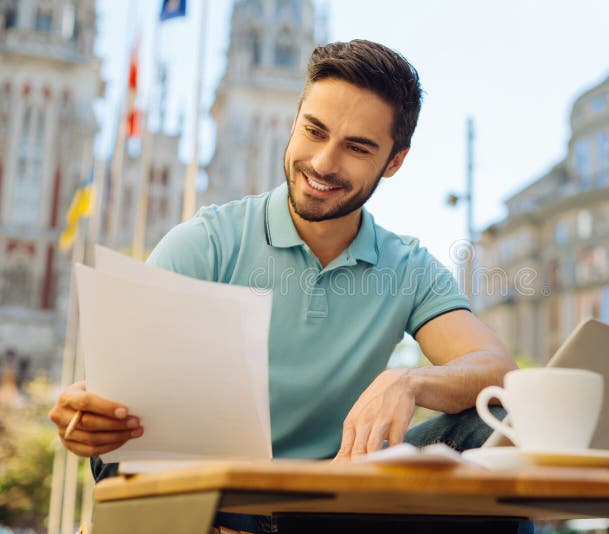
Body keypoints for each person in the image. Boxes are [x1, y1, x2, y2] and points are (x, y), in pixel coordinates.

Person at [49, 40, 525, 533]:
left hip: (332, 505)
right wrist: (87, 415)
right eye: (313, 131)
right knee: (119, 453)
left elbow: (498, 370)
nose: (323, 162)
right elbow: (116, 395)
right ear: (295, 120)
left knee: (492, 424)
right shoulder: (208, 242)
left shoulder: (407, 266)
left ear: (394, 162)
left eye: (357, 148)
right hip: (215, 498)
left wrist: (409, 381)